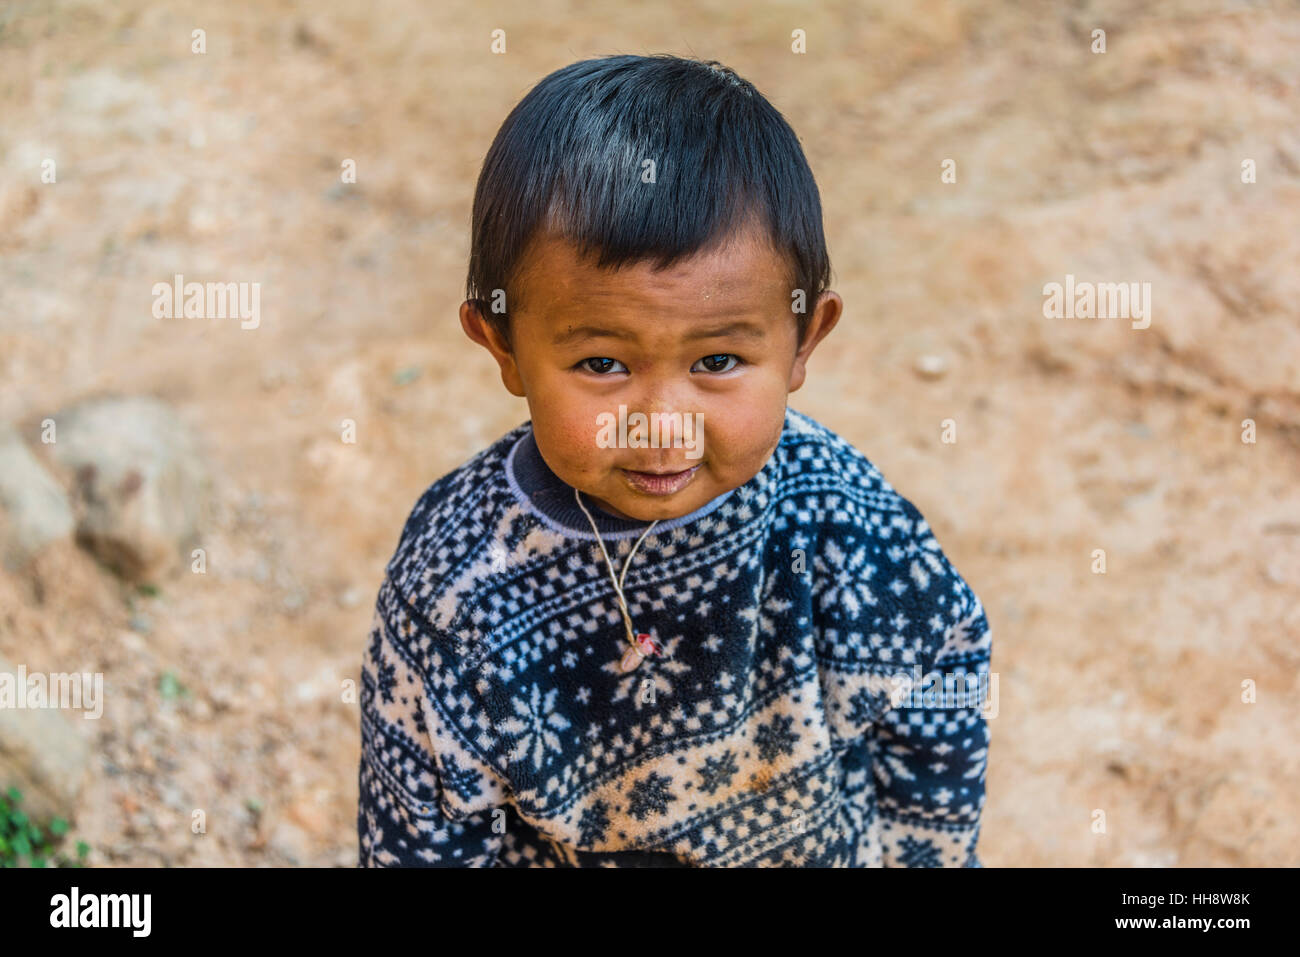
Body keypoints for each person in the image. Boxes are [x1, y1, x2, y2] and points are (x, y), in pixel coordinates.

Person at [357, 54, 992, 867]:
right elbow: (421, 833)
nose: (663, 427)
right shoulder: (456, 592)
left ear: (805, 338)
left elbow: (941, 672)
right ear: (503, 344)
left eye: (717, 361)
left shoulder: (833, 511)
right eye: (602, 364)